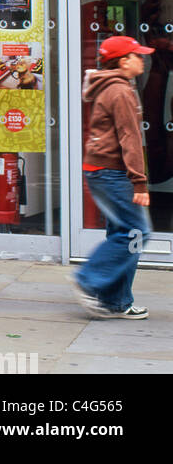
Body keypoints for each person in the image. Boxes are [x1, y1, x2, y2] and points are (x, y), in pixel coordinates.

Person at [73, 34, 153, 319]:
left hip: (99, 170)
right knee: (136, 233)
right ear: (123, 61)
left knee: (123, 232)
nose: (141, 59)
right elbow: (129, 138)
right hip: (112, 172)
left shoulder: (110, 86)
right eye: (137, 55)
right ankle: (90, 279)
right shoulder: (120, 91)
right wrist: (139, 182)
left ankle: (115, 301)